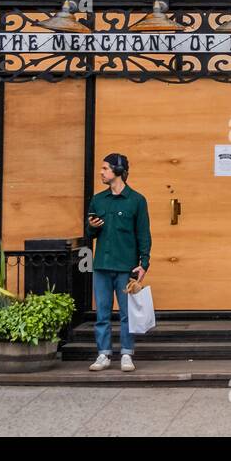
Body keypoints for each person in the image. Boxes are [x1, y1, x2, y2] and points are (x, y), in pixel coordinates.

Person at [85, 153, 151, 372]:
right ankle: (103, 353)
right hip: (102, 265)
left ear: (118, 171)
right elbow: (89, 233)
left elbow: (143, 234)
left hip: (126, 266)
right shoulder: (98, 199)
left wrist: (144, 263)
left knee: (126, 313)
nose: (101, 173)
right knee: (102, 313)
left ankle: (126, 353)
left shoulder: (137, 200)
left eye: (105, 169)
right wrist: (92, 227)